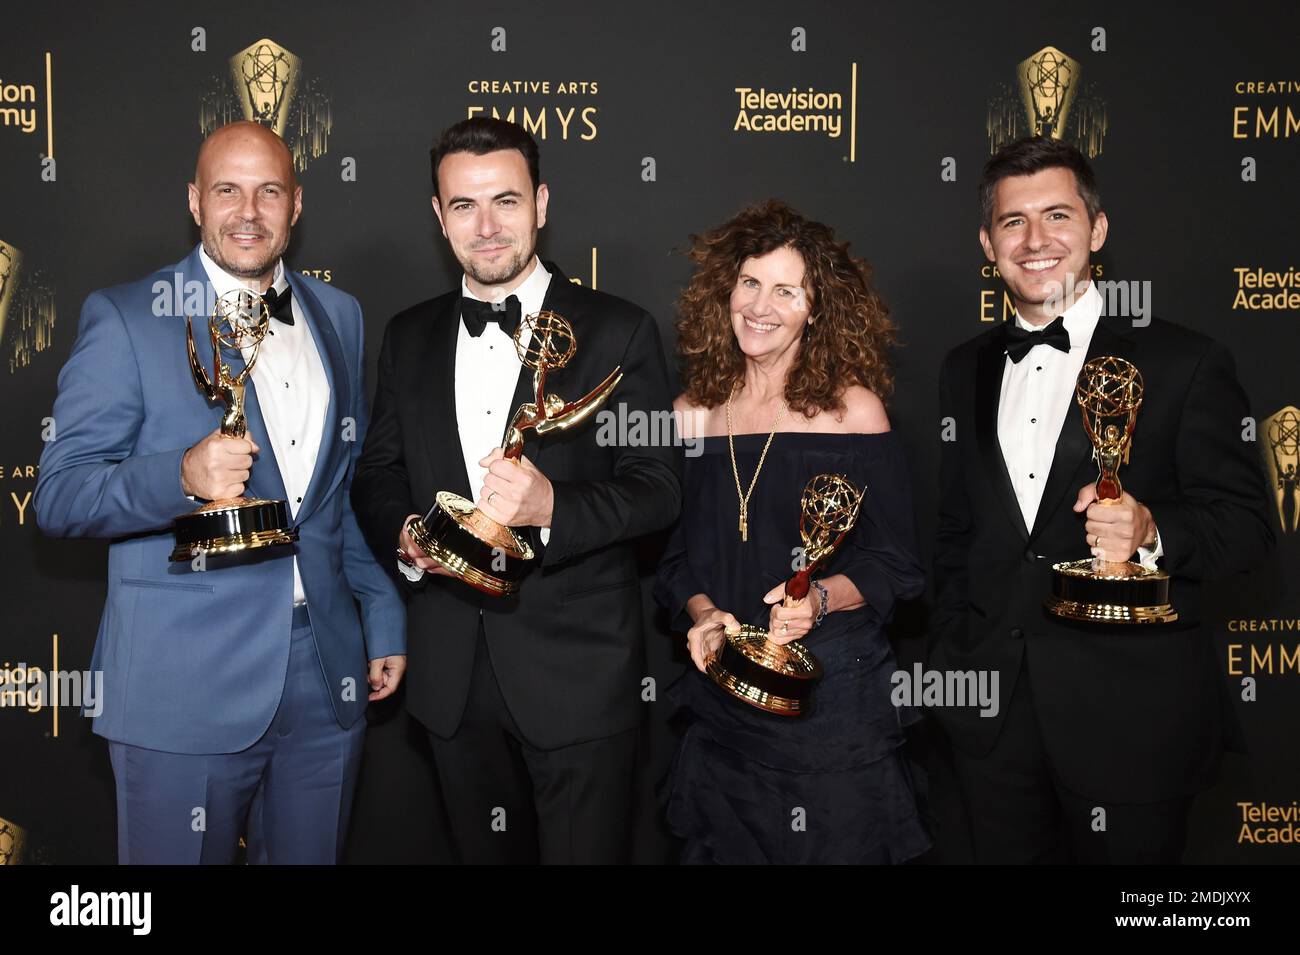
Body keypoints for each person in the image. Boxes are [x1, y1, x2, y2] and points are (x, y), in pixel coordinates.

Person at [33, 121, 406, 864]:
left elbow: (329, 493)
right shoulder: (128, 317)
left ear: (296, 205)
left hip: (325, 674)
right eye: (227, 190)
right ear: (195, 202)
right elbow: (60, 493)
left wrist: (383, 608)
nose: (249, 211)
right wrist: (178, 475)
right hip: (182, 685)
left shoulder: (340, 316)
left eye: (269, 190)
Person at [930, 135, 1275, 863]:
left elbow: (1248, 529)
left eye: (1057, 215)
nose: (1036, 240)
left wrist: (1153, 530)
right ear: (988, 243)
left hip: (1132, 725)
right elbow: (956, 534)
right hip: (989, 725)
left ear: (1098, 229)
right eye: (1013, 221)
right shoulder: (963, 369)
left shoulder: (1185, 360)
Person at [350, 117, 680, 864]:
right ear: (439, 216)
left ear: (541, 202)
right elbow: (377, 471)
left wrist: (553, 509)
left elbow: (660, 489)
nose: (488, 226)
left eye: (506, 200)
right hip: (451, 679)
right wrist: (405, 533)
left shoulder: (619, 331)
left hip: (577, 678)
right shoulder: (409, 335)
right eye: (464, 205)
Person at [655, 199, 930, 864]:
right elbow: (674, 557)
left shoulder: (852, 411)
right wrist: (703, 613)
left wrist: (820, 599)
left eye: (785, 289)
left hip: (830, 705)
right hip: (724, 706)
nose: (761, 305)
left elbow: (898, 563)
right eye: (749, 283)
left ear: (816, 308)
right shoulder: (690, 414)